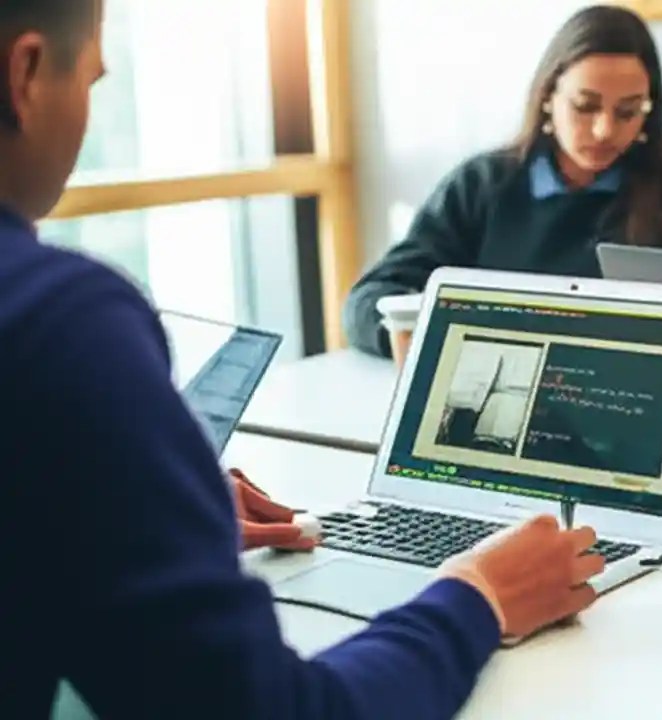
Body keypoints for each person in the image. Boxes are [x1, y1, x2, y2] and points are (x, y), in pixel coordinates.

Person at [0, 2, 605, 717]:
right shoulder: (60, 320)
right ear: (28, 73)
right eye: (94, 82)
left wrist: (138, 507)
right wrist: (480, 595)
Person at [342, 4, 662, 357]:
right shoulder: (481, 186)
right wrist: (408, 334)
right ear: (548, 96)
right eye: (585, 106)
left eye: (627, 111)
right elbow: (371, 298)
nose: (605, 130)